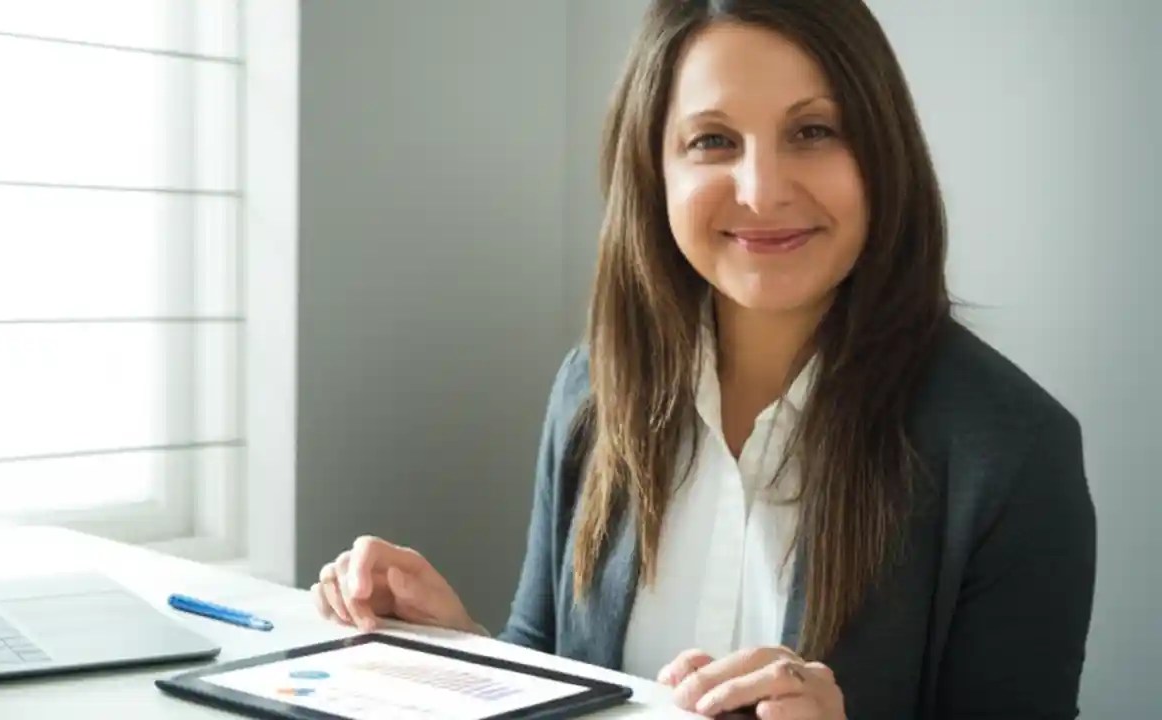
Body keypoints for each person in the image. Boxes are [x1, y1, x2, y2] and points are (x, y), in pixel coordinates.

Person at [310, 1, 1097, 717]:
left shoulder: (1014, 451)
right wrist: (458, 649)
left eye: (813, 131)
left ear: (881, 155)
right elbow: (556, 666)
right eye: (713, 141)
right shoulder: (591, 391)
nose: (760, 189)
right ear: (655, 171)